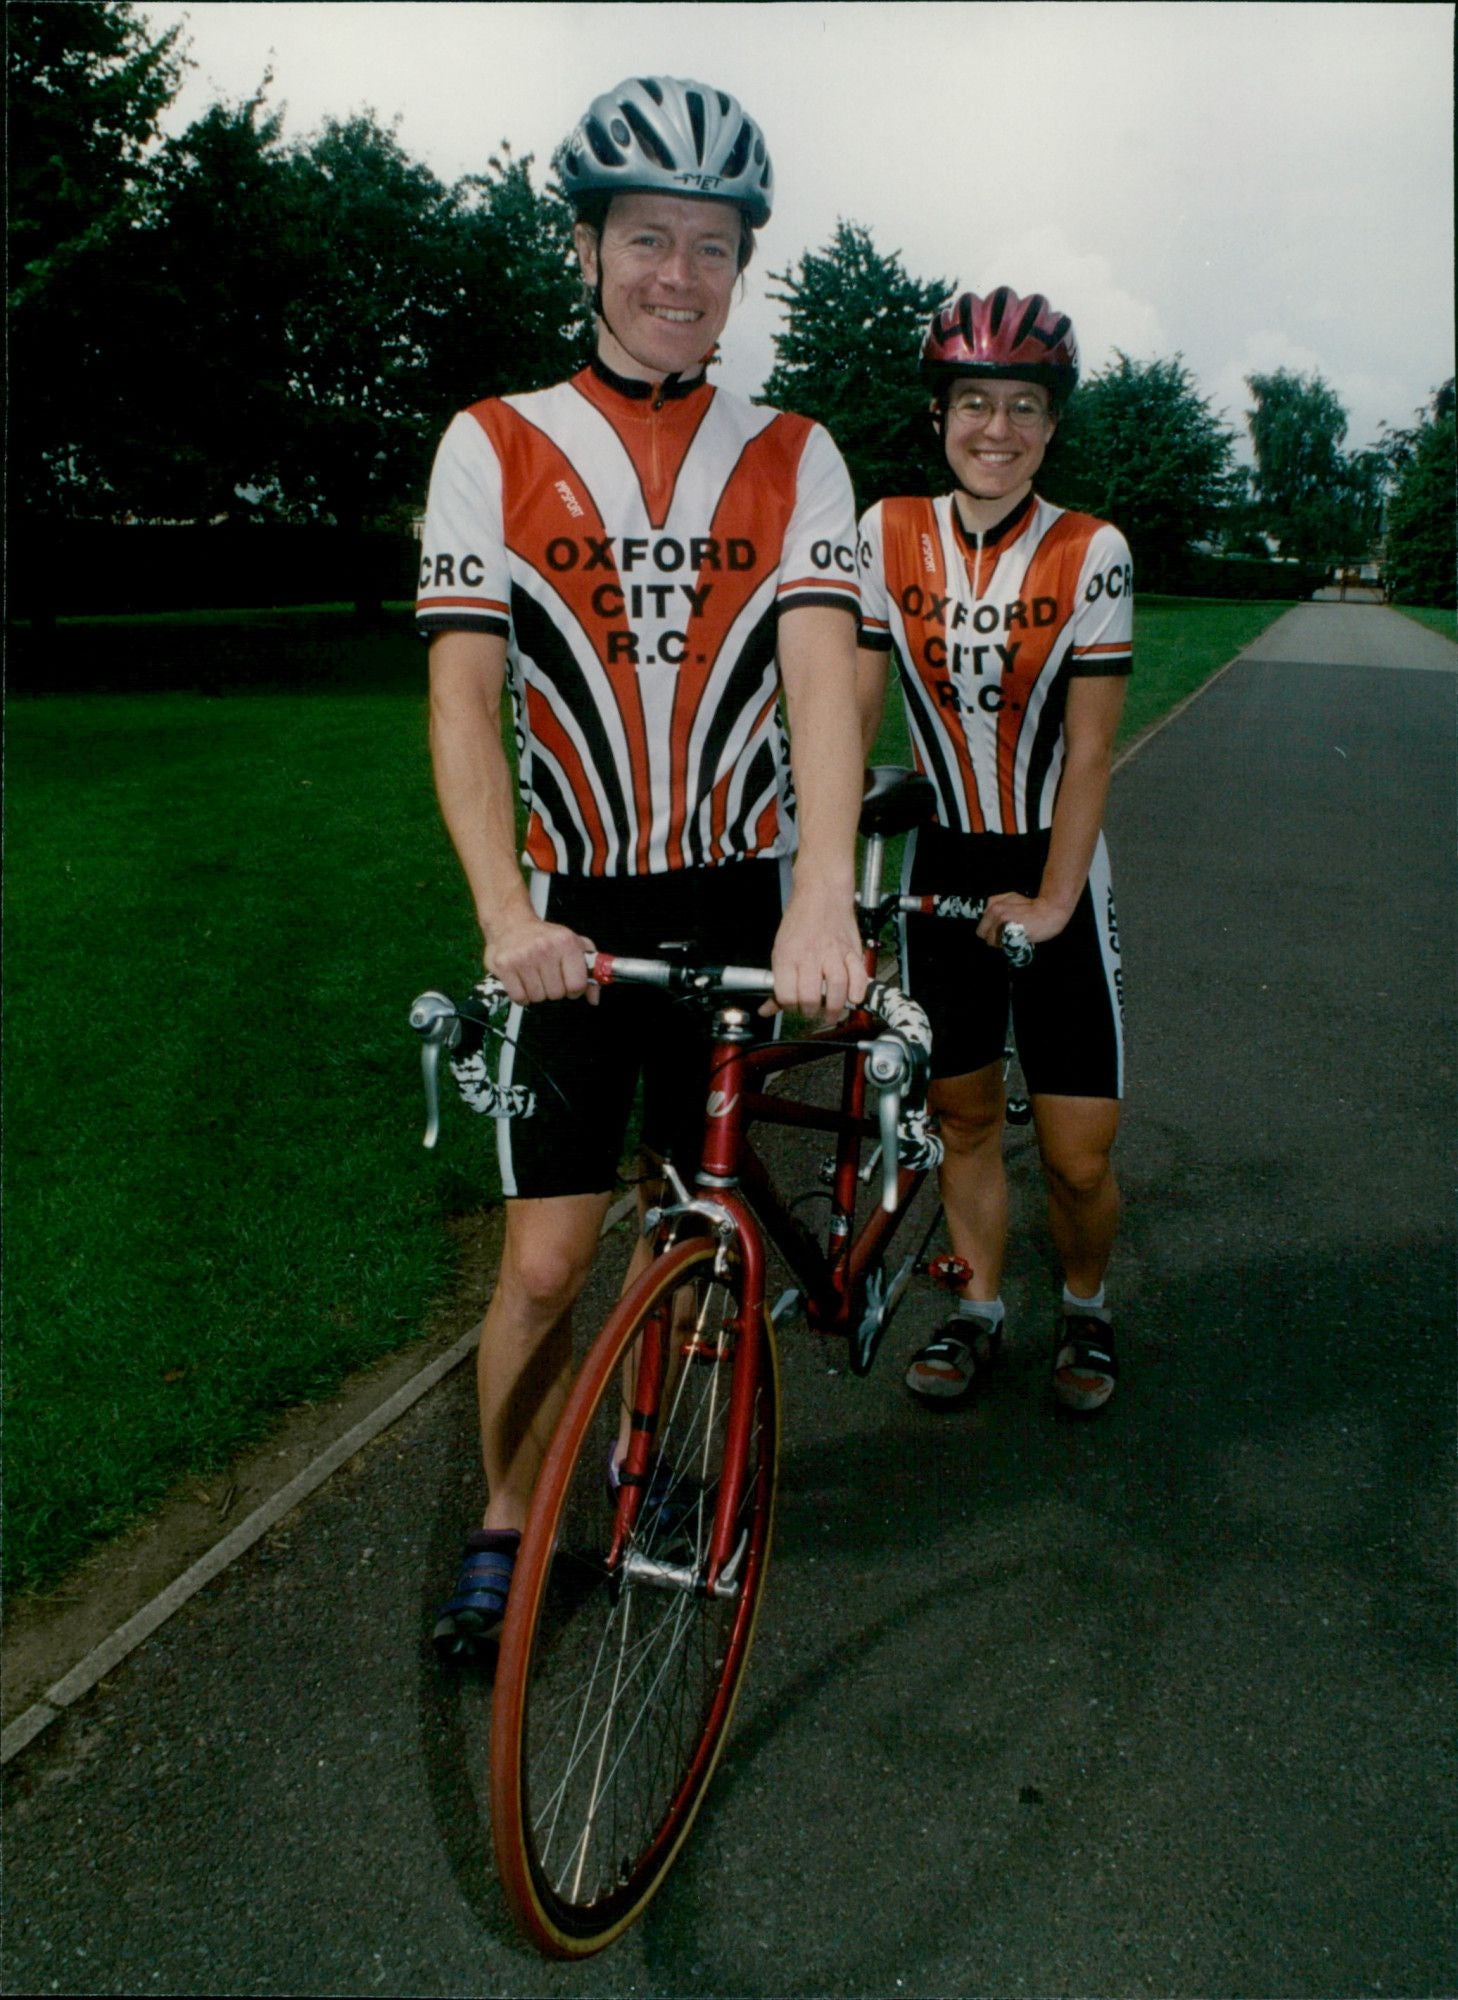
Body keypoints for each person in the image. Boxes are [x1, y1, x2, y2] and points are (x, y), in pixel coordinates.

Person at [419, 76, 866, 1653]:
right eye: (644, 238)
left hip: (738, 895)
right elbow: (466, 699)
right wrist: (502, 914)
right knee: (545, 1257)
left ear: (743, 266)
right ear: (590, 251)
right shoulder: (492, 443)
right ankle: (504, 1517)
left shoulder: (797, 452)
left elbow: (821, 668)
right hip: (579, 912)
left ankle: (661, 1466)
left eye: (709, 244)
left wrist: (821, 890)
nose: (675, 273)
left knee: (702, 1226)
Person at [855, 286, 1130, 1416]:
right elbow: (851, 714)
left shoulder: (1090, 549)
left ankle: (1086, 1301)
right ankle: (977, 1309)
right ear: (940, 414)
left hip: (1055, 865)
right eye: (976, 402)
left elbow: (1092, 752)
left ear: (1052, 424)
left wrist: (1057, 899)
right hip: (942, 864)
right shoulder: (886, 532)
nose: (998, 428)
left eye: (1024, 406)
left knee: (1074, 1152)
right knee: (965, 1118)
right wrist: (837, 888)